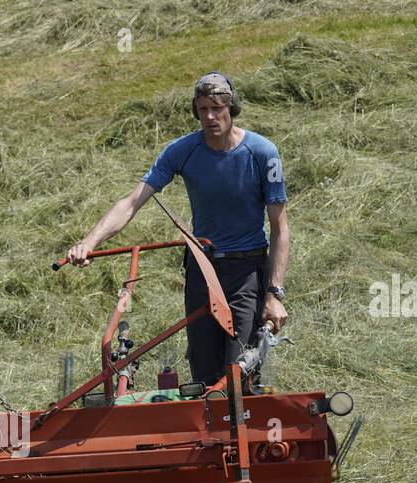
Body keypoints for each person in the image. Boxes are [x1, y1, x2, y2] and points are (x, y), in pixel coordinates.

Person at [66, 72, 290, 390]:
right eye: (202, 109)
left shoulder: (263, 153)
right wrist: (88, 241)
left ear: (232, 106)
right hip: (203, 271)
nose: (210, 116)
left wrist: (274, 293)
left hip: (246, 273)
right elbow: (132, 202)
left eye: (217, 107)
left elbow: (280, 228)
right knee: (204, 372)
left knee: (241, 371)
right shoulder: (182, 151)